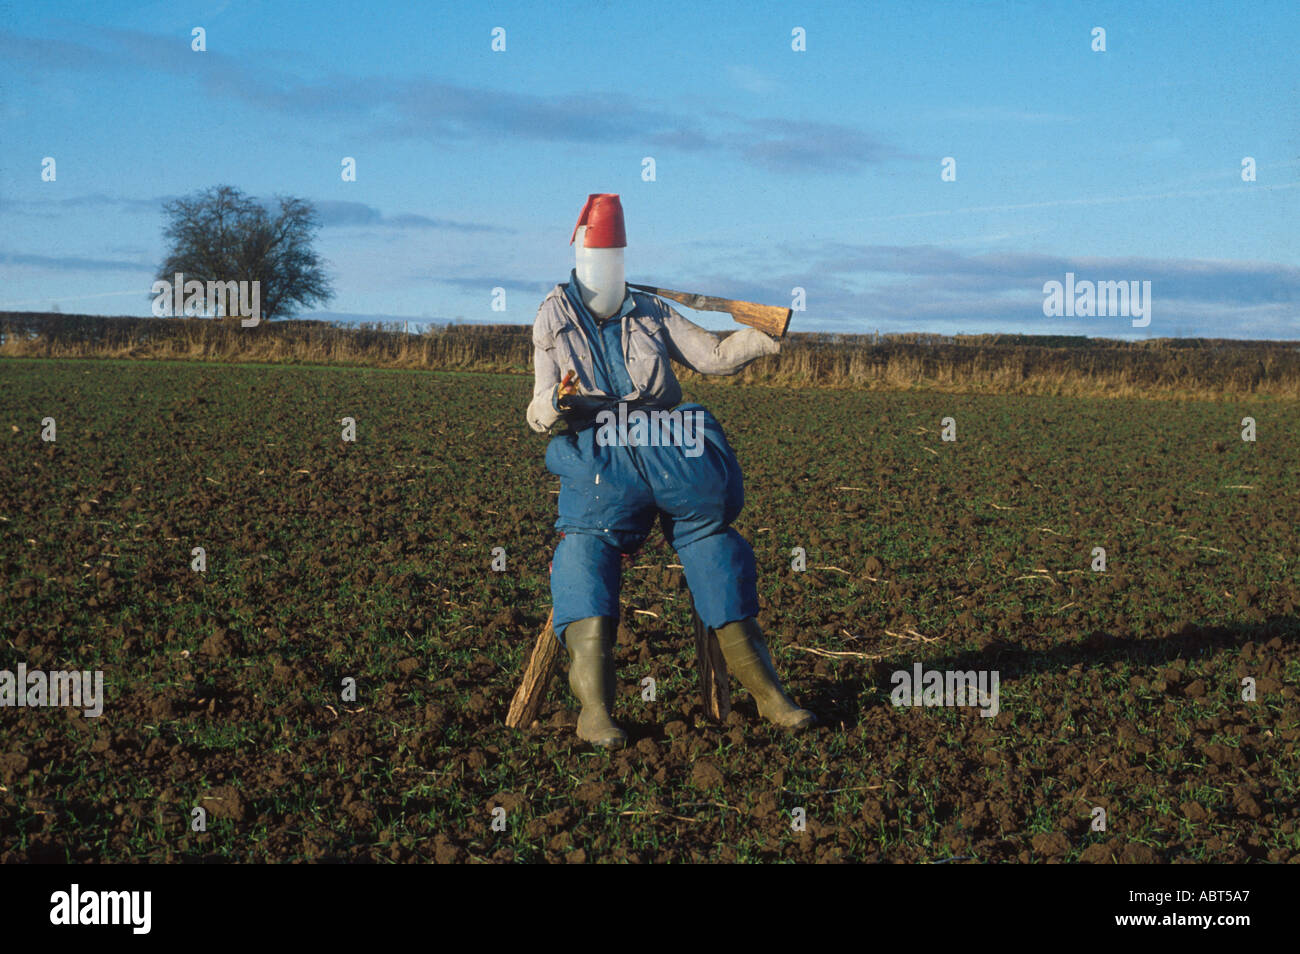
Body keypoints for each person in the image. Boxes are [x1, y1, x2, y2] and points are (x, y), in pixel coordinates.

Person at [527, 193, 815, 749]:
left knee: (716, 547)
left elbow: (711, 356)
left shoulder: (653, 310)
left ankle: (769, 696)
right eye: (597, 262)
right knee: (584, 556)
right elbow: (537, 405)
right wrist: (557, 407)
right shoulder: (551, 317)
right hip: (599, 456)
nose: (605, 271)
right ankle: (595, 711)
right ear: (581, 261)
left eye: (614, 262)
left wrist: (765, 336)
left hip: (670, 446)